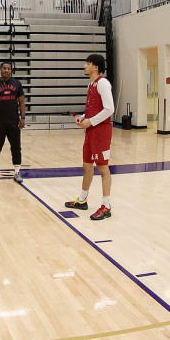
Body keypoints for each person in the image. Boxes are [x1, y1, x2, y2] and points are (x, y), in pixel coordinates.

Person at [66, 54, 114, 220]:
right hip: (91, 130)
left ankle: (106, 206)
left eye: (88, 63)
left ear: (96, 67)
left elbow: (109, 109)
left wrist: (90, 121)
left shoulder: (102, 83)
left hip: (101, 131)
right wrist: (83, 116)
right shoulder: (91, 84)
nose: (84, 66)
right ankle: (82, 199)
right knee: (87, 165)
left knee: (103, 168)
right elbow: (95, 108)